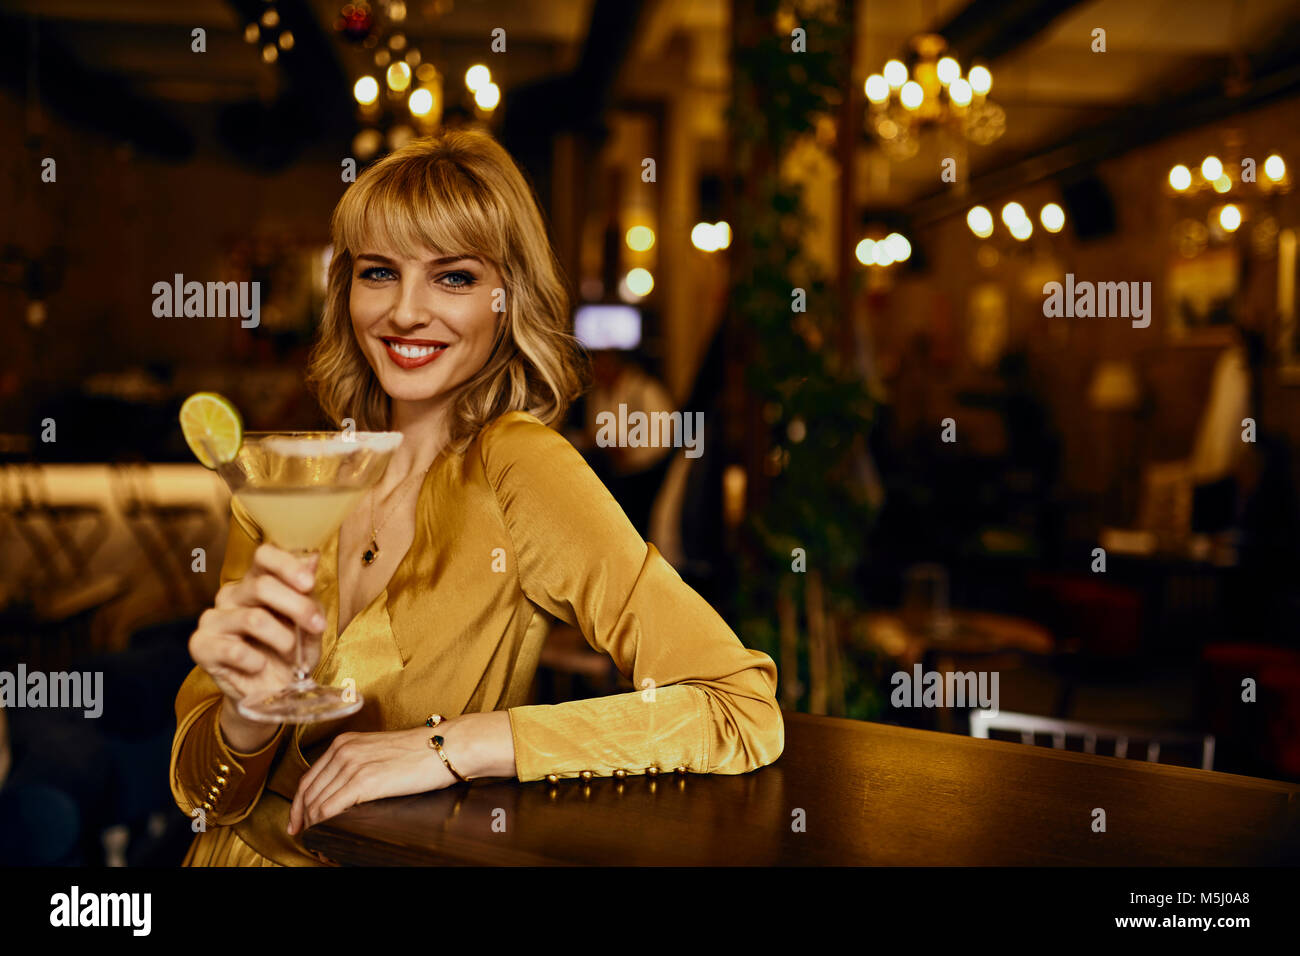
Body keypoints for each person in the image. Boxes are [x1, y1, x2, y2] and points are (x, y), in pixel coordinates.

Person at [170, 128, 784, 866]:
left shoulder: (517, 468)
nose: (404, 311)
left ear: (506, 297)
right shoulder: (287, 482)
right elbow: (208, 802)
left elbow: (740, 708)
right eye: (378, 272)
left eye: (454, 277)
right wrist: (245, 714)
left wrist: (455, 745)